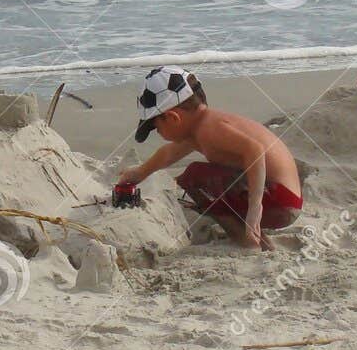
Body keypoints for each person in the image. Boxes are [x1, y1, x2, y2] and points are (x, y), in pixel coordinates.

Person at [117, 65, 302, 250]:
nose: (159, 133)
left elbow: (255, 150)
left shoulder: (209, 129)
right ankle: (257, 238)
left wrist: (255, 209)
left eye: (157, 128)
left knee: (195, 177)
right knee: (190, 180)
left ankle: (247, 240)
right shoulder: (199, 129)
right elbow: (169, 153)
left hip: (279, 200)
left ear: (173, 118)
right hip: (282, 198)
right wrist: (140, 173)